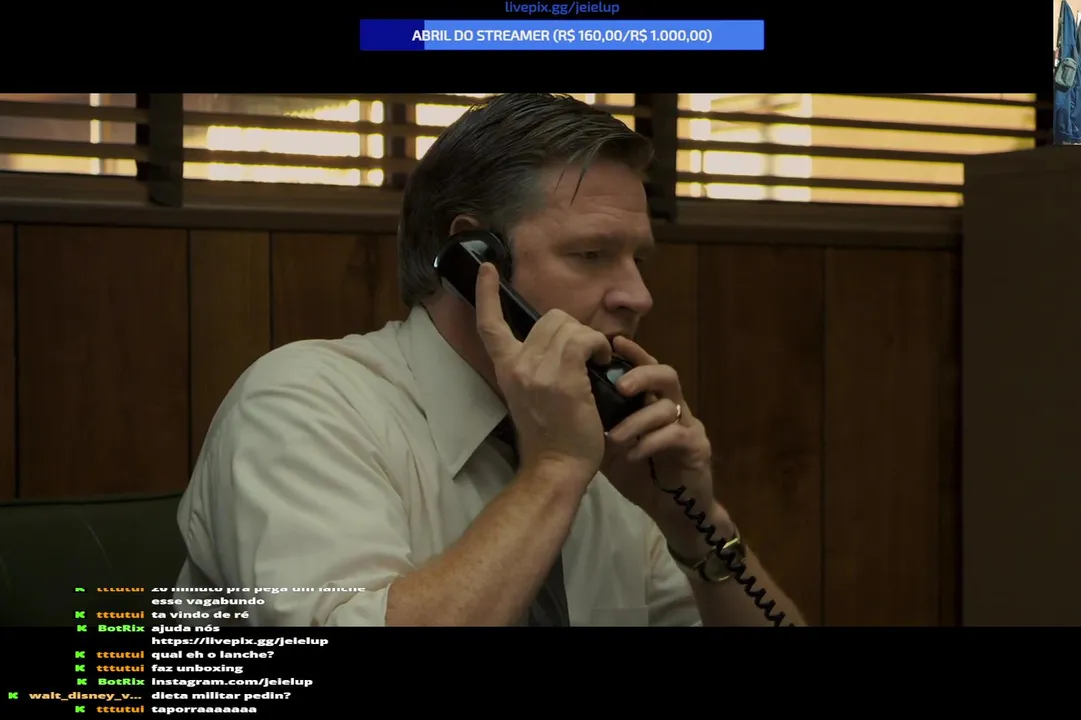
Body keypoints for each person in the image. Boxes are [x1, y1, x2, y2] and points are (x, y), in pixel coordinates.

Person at [172, 93, 807, 628]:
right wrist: (554, 470)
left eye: (637, 259)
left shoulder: (606, 442)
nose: (638, 296)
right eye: (591, 254)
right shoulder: (300, 404)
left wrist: (697, 528)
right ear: (475, 262)